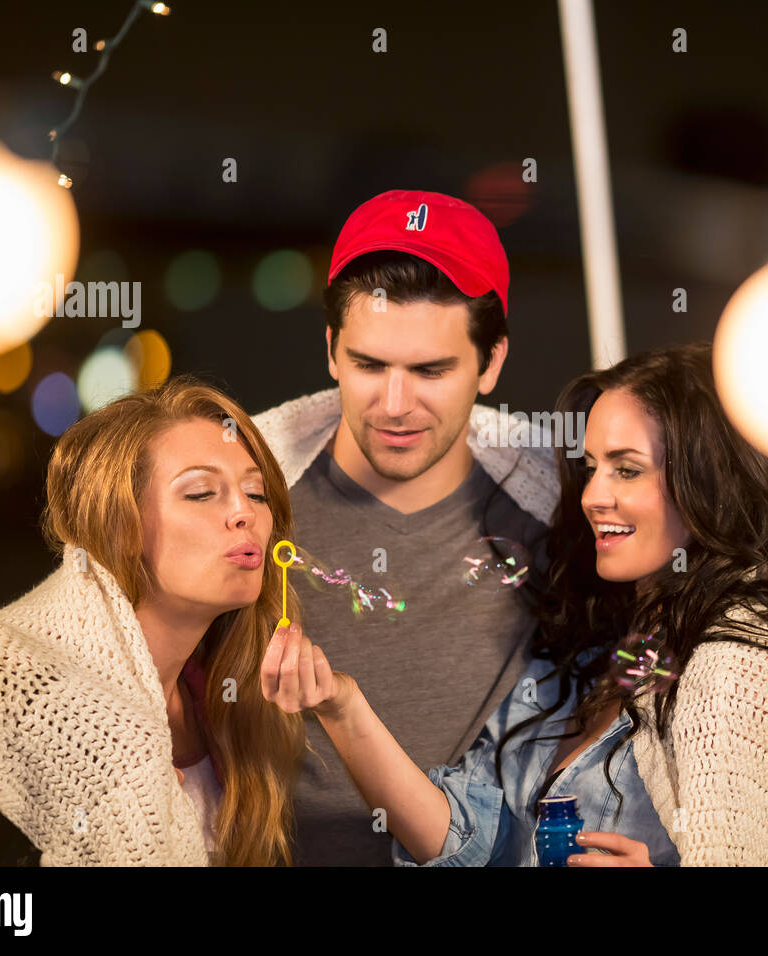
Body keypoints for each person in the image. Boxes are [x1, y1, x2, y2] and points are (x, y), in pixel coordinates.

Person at [263, 342, 768, 865]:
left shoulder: (754, 658)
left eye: (627, 470)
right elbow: (464, 837)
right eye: (591, 467)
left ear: (709, 481)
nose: (594, 495)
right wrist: (341, 706)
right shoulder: (592, 652)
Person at [0, 377, 306, 865]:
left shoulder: (234, 701)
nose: (243, 513)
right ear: (119, 525)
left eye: (255, 493)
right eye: (202, 492)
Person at [252, 189, 558, 865]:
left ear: (492, 362)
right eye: (369, 365)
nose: (394, 405)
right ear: (331, 351)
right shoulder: (249, 506)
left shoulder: (556, 518)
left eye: (430, 370)